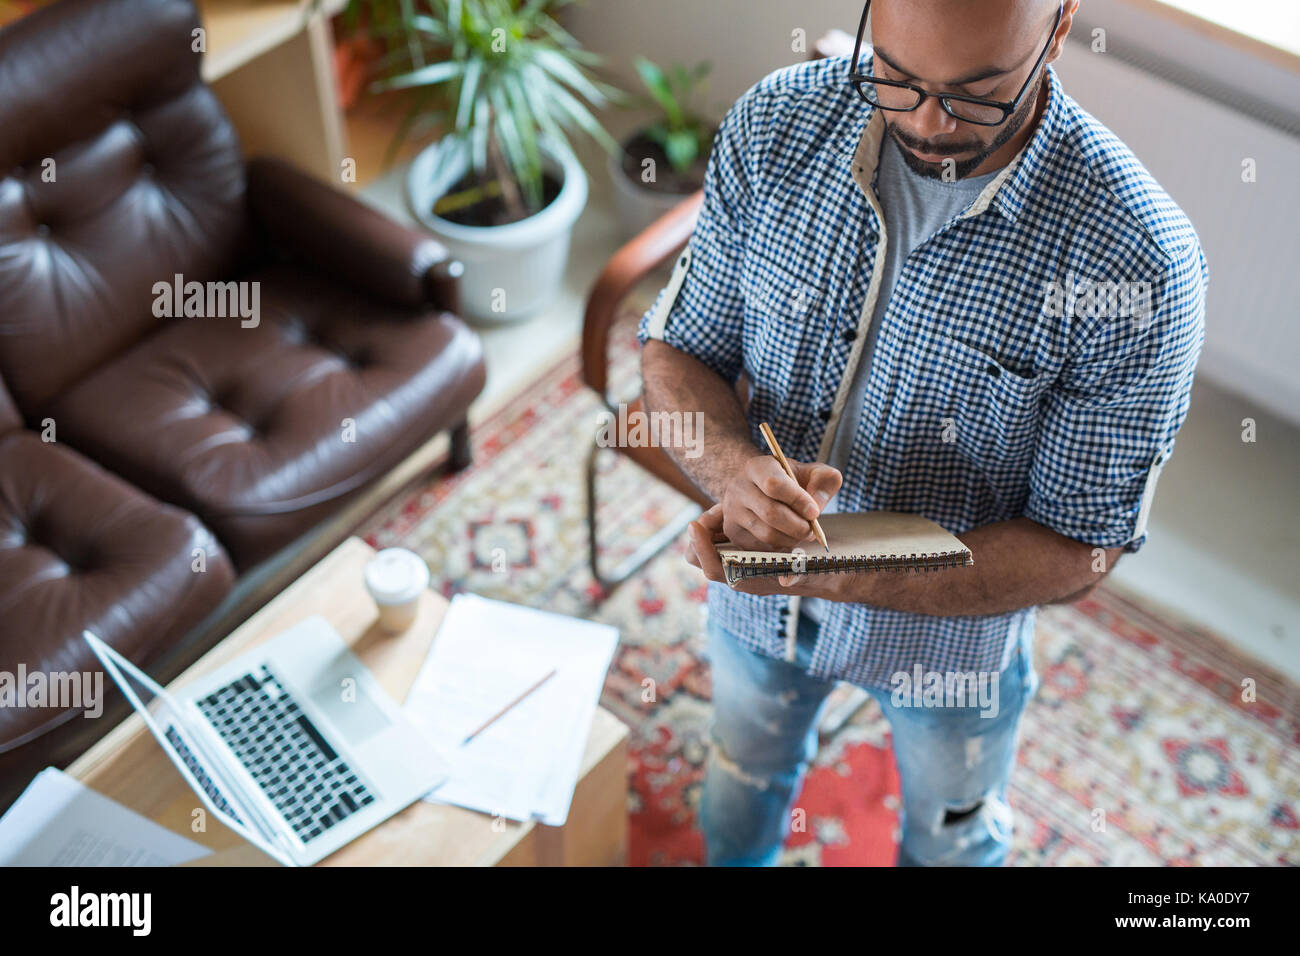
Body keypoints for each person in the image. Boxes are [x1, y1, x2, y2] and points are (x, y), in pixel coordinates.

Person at [637, 0, 1207, 866]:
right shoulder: (775, 123)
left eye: (976, 94)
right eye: (894, 75)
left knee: (953, 843)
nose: (926, 123)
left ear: (1059, 29)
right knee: (739, 785)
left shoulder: (1138, 263)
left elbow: (1079, 548)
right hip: (754, 611)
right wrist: (730, 471)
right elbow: (679, 347)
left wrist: (842, 569)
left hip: (950, 651)